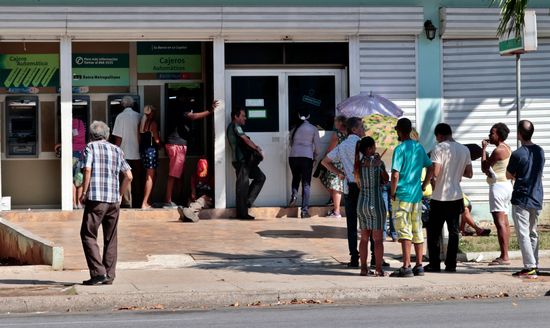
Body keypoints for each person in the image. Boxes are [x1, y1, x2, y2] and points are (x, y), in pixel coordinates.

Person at [79, 121, 132, 285]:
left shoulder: (91, 147)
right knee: (111, 238)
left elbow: (87, 169)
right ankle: (109, 275)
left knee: (87, 234)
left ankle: (98, 273)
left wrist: (85, 192)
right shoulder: (117, 150)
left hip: (96, 199)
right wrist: (120, 195)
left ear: (91, 135)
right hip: (113, 201)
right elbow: (129, 176)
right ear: (107, 135)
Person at [425, 123, 473, 273]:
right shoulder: (464, 149)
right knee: (453, 232)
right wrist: (455, 171)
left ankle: (434, 263)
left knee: (433, 232)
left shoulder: (438, 148)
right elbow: (469, 173)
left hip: (439, 196)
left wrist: (429, 181)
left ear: (439, 135)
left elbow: (436, 172)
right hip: (456, 196)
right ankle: (451, 264)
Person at [389, 118, 432, 277]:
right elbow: (430, 167)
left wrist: (393, 192)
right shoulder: (419, 147)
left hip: (403, 195)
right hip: (416, 195)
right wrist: (424, 185)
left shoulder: (399, 149)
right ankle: (419, 265)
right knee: (417, 229)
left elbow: (395, 175)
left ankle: (406, 266)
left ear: (399, 131)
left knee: (404, 230)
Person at [163, 90, 220, 208]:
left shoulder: (175, 108)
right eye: (186, 97)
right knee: (174, 174)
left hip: (176, 144)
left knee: (179, 174)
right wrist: (210, 111)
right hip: (177, 145)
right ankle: (168, 201)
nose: (189, 100)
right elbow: (193, 116)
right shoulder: (180, 108)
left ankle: (178, 200)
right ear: (181, 98)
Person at [322, 117, 365, 268]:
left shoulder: (343, 145)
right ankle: (373, 256)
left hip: (349, 187)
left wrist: (340, 172)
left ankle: (354, 257)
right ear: (354, 129)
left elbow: (325, 161)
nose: (364, 129)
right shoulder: (364, 144)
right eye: (361, 127)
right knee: (369, 223)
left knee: (352, 225)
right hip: (364, 188)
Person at [507, 120, 545, 279]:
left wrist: (518, 176)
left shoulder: (517, 154)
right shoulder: (540, 151)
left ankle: (529, 267)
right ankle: (534, 264)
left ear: (519, 134)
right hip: (536, 195)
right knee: (532, 232)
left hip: (521, 197)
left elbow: (509, 175)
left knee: (523, 233)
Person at [354, 137, 389, 276]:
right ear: (369, 149)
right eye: (374, 146)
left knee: (364, 238)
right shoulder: (378, 163)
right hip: (376, 203)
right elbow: (386, 179)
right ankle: (379, 269)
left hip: (361, 203)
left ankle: (363, 268)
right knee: (378, 240)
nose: (375, 149)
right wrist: (380, 165)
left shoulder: (358, 163)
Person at [481, 123, 513, 266]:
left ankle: (504, 256)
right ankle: (505, 253)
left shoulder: (498, 150)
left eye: (492, 133)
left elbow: (484, 167)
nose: (489, 136)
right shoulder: (507, 148)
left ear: (499, 135)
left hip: (498, 187)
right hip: (506, 185)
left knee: (499, 222)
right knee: (505, 222)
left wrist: (483, 150)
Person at [227, 107, 266, 220]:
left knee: (260, 177)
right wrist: (258, 149)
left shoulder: (235, 127)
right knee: (242, 188)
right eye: (243, 115)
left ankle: (247, 202)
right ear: (236, 116)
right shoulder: (235, 126)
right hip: (241, 162)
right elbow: (246, 140)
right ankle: (242, 214)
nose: (245, 118)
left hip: (246, 162)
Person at [287, 107, 321, 218]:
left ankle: (294, 196)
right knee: (306, 184)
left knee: (295, 178)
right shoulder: (312, 129)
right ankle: (304, 211)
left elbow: (290, 144)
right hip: (306, 157)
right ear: (309, 116)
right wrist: (315, 157)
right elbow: (318, 147)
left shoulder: (294, 129)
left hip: (293, 157)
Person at [112, 96, 140, 208]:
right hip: (138, 153)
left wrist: (115, 151)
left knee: (126, 178)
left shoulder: (120, 117)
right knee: (137, 177)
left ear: (122, 105)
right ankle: (138, 201)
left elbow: (118, 137)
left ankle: (127, 203)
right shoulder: (138, 116)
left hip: (124, 153)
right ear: (133, 104)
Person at [320, 115, 347, 218]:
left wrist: (324, 159)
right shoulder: (349, 134)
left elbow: (330, 149)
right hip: (345, 162)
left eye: (336, 121)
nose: (334, 123)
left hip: (335, 163)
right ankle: (335, 204)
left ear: (340, 122)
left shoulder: (337, 134)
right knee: (337, 186)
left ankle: (336, 211)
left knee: (336, 187)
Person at [139, 105, 161, 209]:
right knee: (150, 177)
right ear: (151, 113)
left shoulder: (141, 123)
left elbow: (139, 138)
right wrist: (161, 144)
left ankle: (148, 201)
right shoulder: (153, 123)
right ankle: (145, 202)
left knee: (148, 176)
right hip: (151, 151)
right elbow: (156, 140)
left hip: (143, 151)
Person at [177, 158, 213, 223]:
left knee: (201, 201)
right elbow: (193, 192)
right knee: (191, 202)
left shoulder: (211, 177)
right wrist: (193, 196)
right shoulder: (194, 177)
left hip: (207, 199)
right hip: (197, 198)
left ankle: (187, 212)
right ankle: (191, 217)